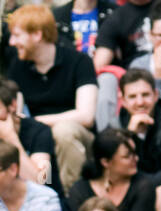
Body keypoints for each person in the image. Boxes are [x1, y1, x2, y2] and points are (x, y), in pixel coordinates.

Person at [6, 4, 97, 194]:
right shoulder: (18, 66)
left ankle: (75, 199)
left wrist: (37, 122)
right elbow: (16, 109)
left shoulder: (79, 62)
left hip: (77, 138)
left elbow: (86, 116)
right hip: (40, 140)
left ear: (37, 35)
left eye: (17, 35)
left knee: (63, 132)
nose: (12, 42)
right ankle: (40, 196)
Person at [68, 128, 161, 211]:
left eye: (135, 153)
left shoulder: (143, 186)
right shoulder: (79, 190)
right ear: (105, 162)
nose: (135, 158)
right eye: (127, 156)